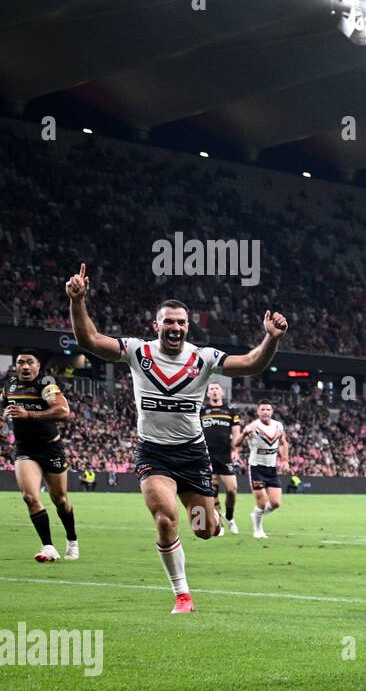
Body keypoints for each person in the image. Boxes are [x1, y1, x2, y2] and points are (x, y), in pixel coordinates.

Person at [66, 262, 288, 613]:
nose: (175, 327)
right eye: (168, 322)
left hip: (193, 457)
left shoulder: (203, 358)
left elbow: (250, 363)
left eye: (181, 322)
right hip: (154, 454)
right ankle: (182, 594)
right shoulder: (138, 352)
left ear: (188, 327)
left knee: (203, 528)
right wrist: (78, 301)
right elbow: (89, 340)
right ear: (157, 325)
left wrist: (271, 340)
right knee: (165, 516)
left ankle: (213, 520)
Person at [1, 349, 78, 561]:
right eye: (20, 363)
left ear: (37, 366)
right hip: (25, 449)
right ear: (15, 366)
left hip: (50, 448)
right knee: (29, 497)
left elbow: (63, 411)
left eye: (29, 362)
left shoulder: (47, 384)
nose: (25, 366)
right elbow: (3, 406)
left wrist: (29, 414)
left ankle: (72, 539)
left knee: (60, 500)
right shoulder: (10, 386)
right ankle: (48, 547)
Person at [233, 400, 288, 540]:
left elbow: (283, 443)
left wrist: (285, 460)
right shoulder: (253, 426)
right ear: (258, 412)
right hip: (256, 468)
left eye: (268, 409)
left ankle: (255, 515)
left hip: (271, 469)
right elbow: (236, 443)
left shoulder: (278, 426)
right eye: (262, 409)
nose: (265, 412)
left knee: (275, 503)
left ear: (272, 412)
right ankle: (258, 529)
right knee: (262, 502)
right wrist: (244, 434)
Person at [201, 382, 242, 533]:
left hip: (224, 455)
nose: (214, 391)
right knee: (212, 491)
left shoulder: (231, 411)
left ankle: (229, 516)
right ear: (208, 394)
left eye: (217, 388)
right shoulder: (203, 411)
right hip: (207, 456)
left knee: (232, 490)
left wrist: (235, 450)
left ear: (222, 393)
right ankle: (219, 523)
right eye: (211, 389)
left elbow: (236, 433)